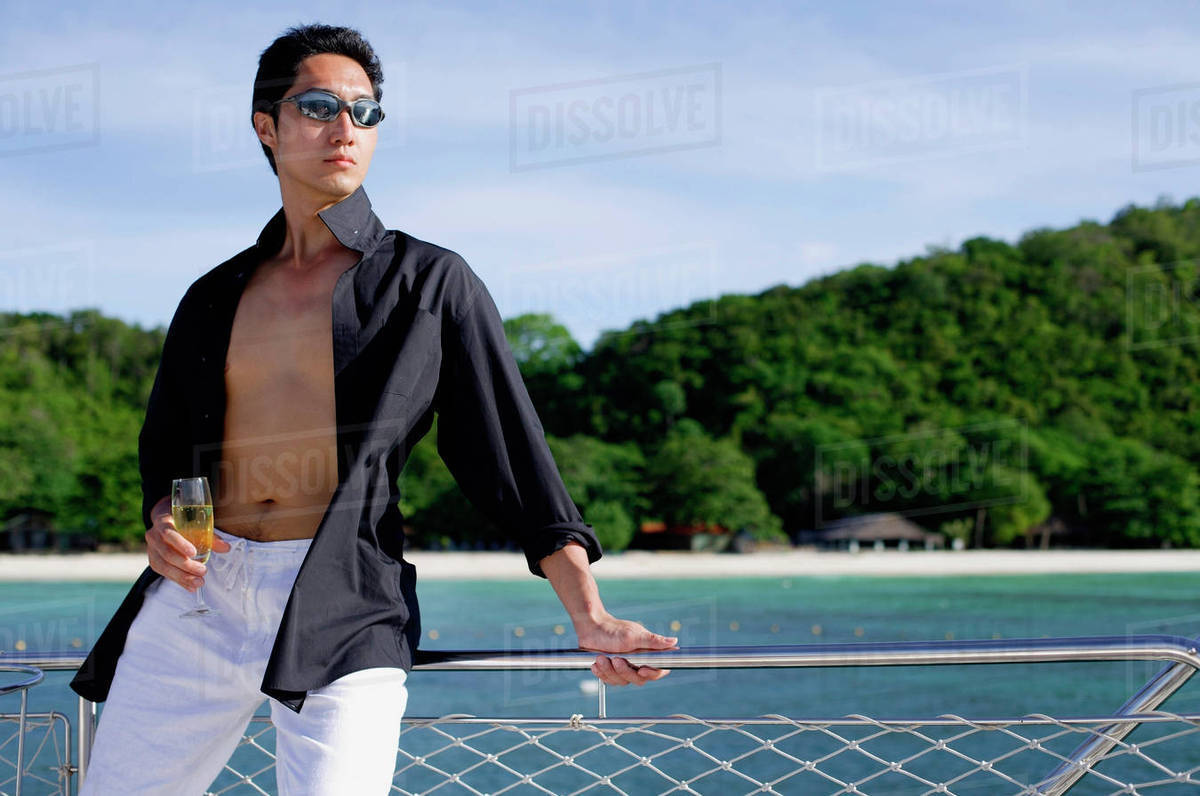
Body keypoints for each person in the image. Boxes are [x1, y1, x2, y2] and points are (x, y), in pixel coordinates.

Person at [71, 22, 676, 795]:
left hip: (344, 600)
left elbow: (510, 459)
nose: (345, 129)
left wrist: (588, 611)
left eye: (365, 113)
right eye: (320, 105)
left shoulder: (429, 283)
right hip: (199, 597)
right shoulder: (213, 296)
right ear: (267, 125)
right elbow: (167, 450)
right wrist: (161, 518)